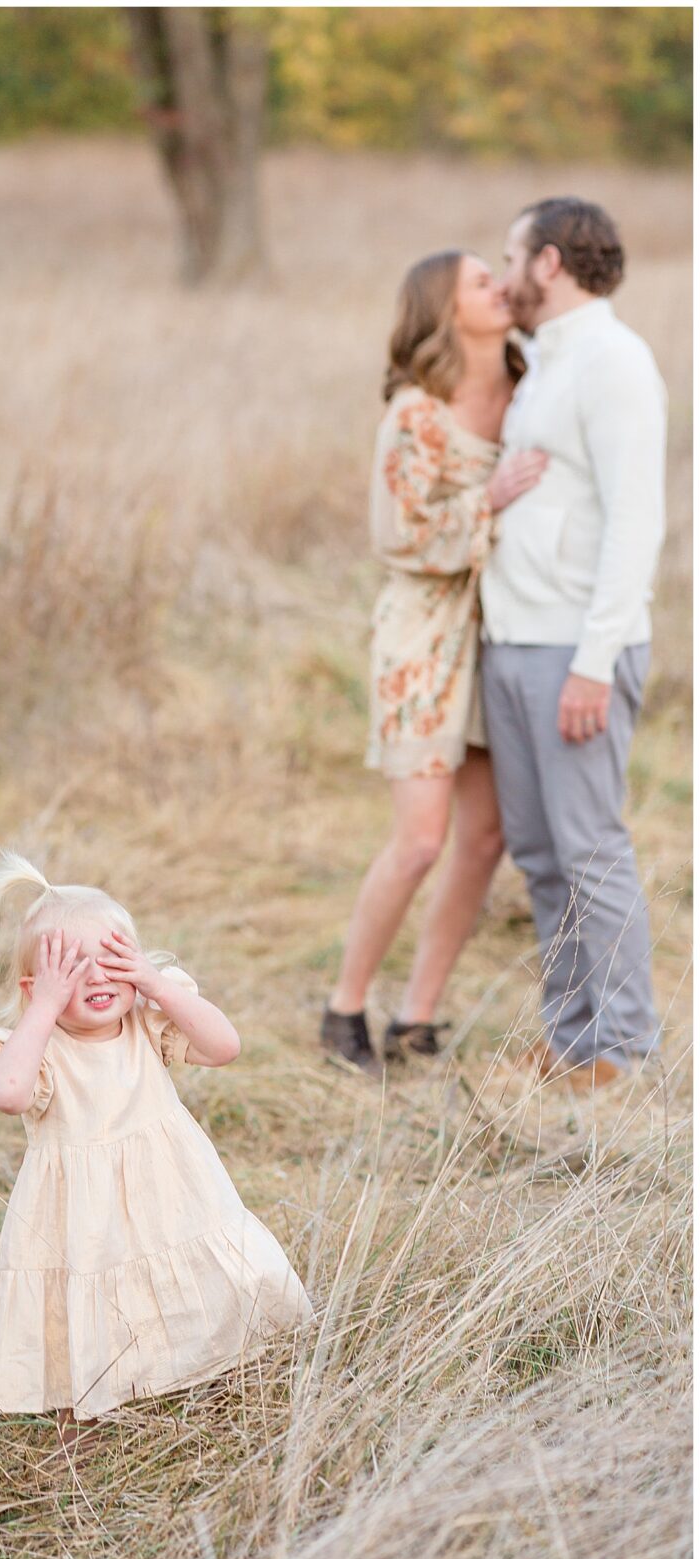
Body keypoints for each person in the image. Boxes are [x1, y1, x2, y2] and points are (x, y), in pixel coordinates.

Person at [0, 852, 312, 1446]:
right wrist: (43, 1010)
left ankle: (207, 1378)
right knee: (94, 1301)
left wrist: (154, 984)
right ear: (37, 988)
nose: (99, 979)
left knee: (200, 1279)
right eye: (74, 970)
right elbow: (6, 1093)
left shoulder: (147, 1023)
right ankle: (86, 1415)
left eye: (114, 962)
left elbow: (224, 1046)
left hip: (170, 1192)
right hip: (82, 1217)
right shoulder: (39, 1047)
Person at [321, 251, 547, 1078]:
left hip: (509, 630)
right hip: (423, 639)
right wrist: (485, 503)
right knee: (420, 840)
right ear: (447, 312)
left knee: (483, 837)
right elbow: (400, 538)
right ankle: (343, 1006)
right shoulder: (414, 414)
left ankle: (416, 1017)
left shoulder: (531, 385)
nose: (502, 288)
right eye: (482, 283)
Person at [482, 197, 667, 1088]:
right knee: (541, 855)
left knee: (589, 850)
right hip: (513, 639)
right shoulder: (543, 363)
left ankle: (623, 1052)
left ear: (548, 263)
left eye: (510, 256)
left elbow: (636, 523)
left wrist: (594, 662)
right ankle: (568, 1036)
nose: (503, 273)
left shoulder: (612, 362)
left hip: (574, 651)